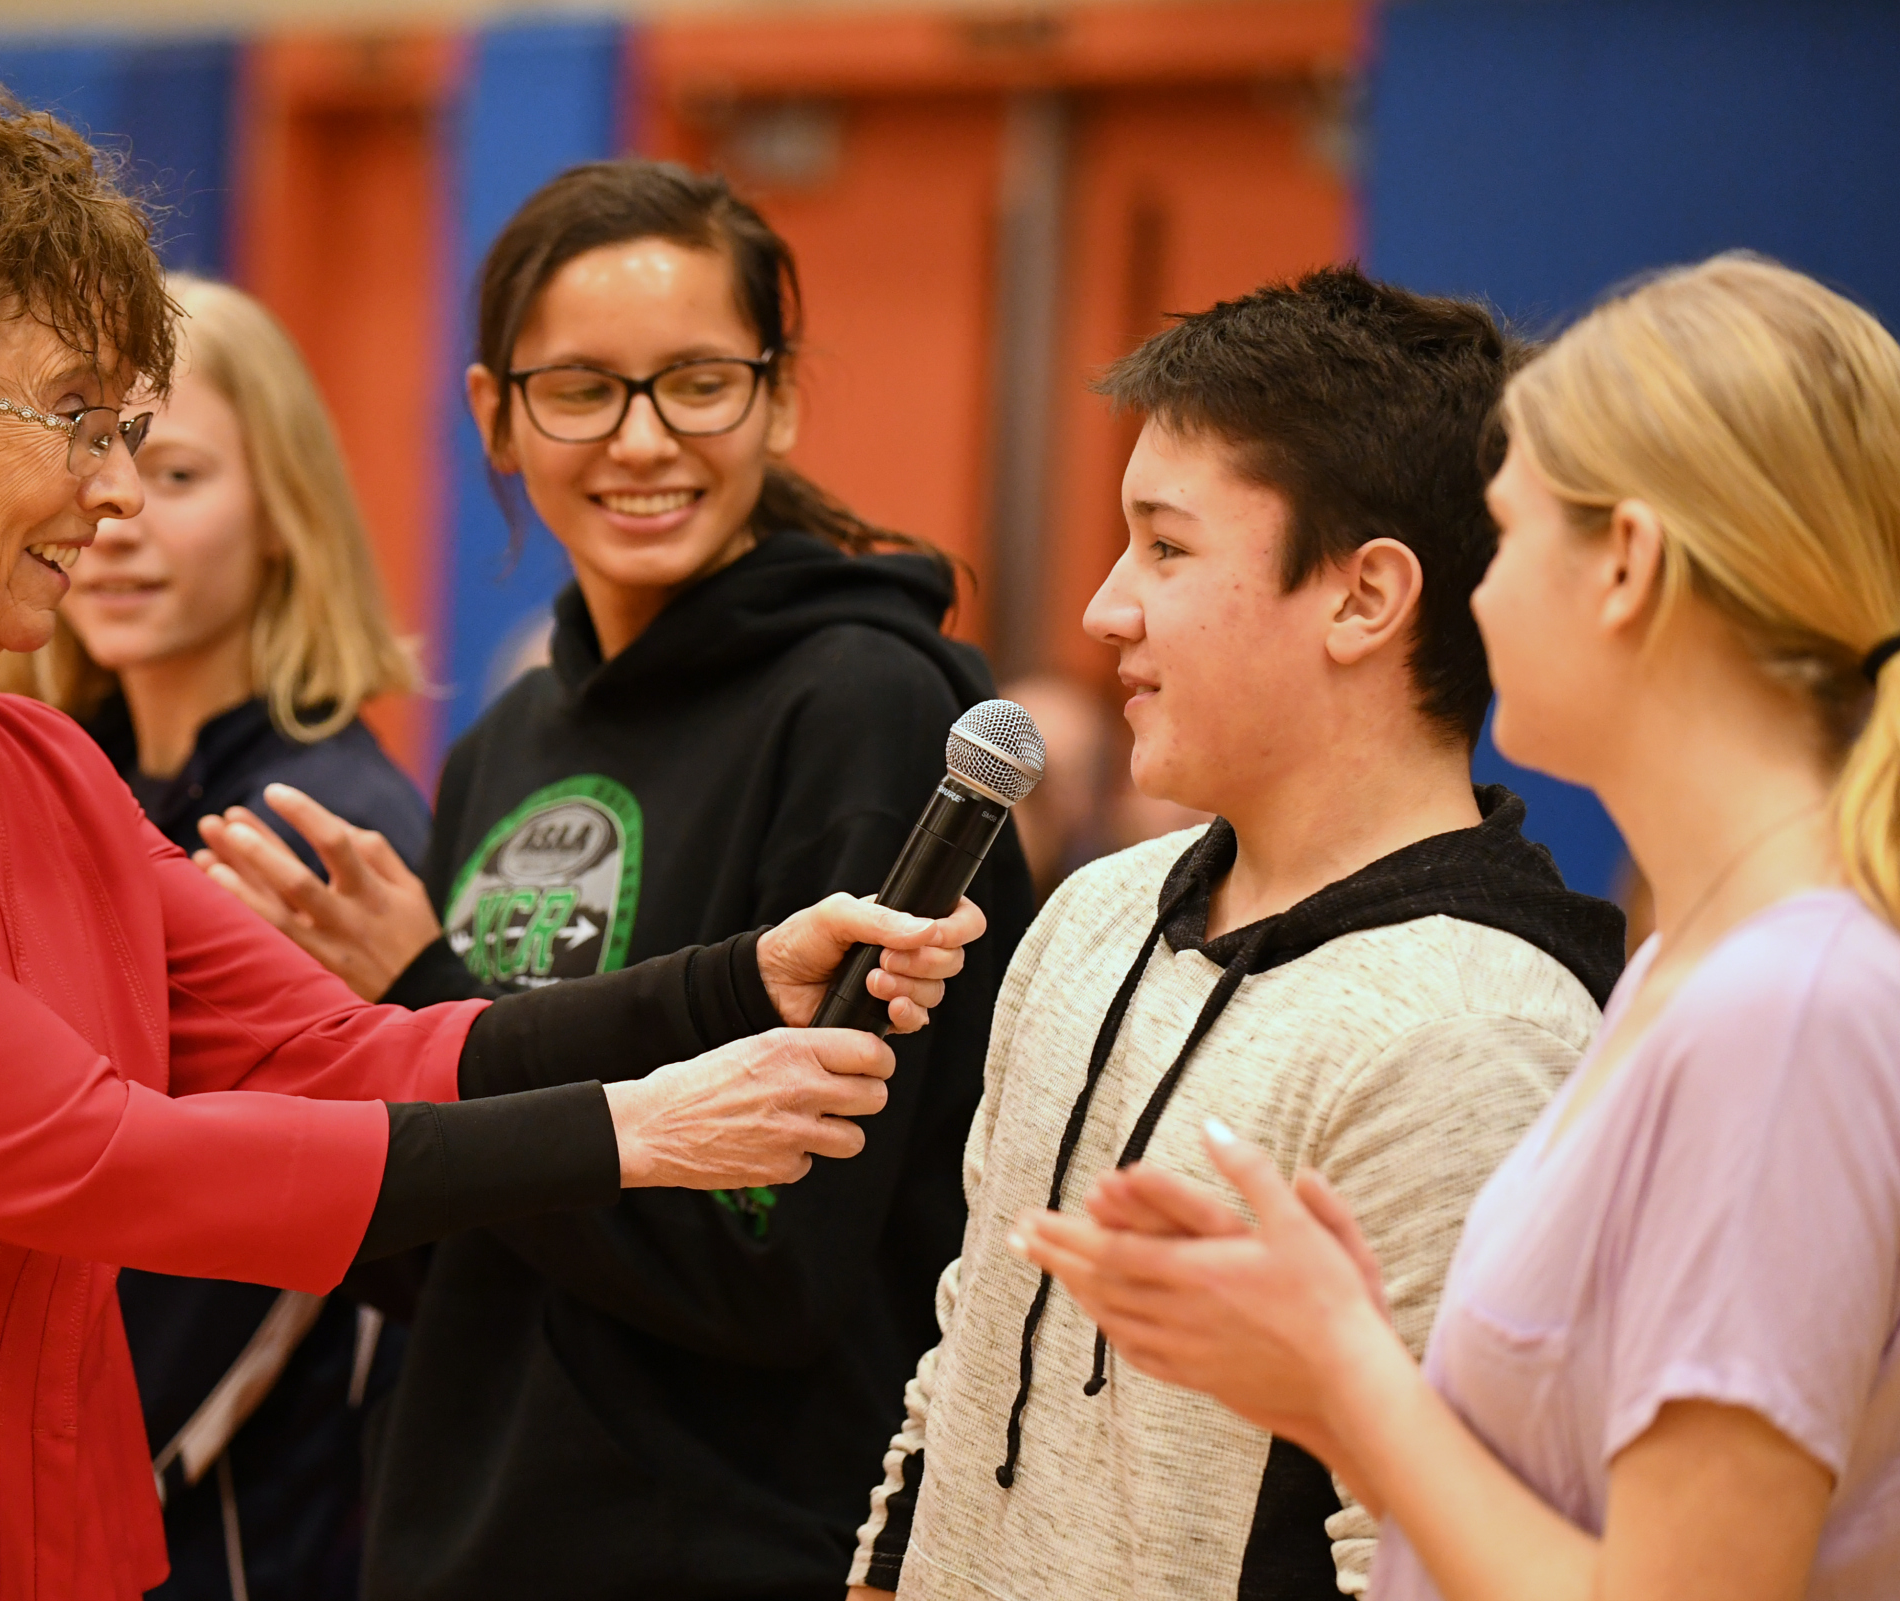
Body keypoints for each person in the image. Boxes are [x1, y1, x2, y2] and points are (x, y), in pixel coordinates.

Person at [0, 77, 988, 1600]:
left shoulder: (36, 763)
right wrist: (634, 1129)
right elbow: (92, 1157)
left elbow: (357, 1046)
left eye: (136, 434)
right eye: (80, 419)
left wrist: (738, 982)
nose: (118, 489)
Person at [196, 159, 1037, 1601]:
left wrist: (428, 999)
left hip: (741, 1541)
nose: (643, 441)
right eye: (582, 390)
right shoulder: (514, 732)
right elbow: (452, 1255)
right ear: (496, 416)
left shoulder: (867, 710)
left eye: (698, 382)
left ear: (777, 398)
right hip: (462, 1535)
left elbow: (763, 1265)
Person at [1017, 255, 1900, 1599]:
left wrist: (1346, 1385)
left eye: (1509, 532)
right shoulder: (1692, 961)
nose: (1475, 595)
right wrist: (1331, 1371)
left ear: (1628, 568)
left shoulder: (1787, 1007)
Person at [842, 267, 1629, 1601]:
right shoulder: (1095, 910)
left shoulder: (1475, 1034)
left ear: (1365, 598)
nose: (1105, 608)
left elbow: (1423, 1544)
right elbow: (965, 1352)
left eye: (1166, 546)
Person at [19, 273, 434, 1600]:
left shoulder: (319, 825)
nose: (120, 514)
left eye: (179, 470)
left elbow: (235, 1259)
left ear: (284, 514)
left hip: (227, 1515)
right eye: (89, 454)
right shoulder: (79, 779)